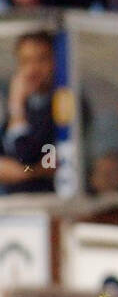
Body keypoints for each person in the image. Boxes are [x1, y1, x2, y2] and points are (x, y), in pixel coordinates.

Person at [0, 32, 57, 195]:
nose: (33, 69)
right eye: (26, 61)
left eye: (41, 59)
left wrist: (17, 107)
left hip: (48, 202)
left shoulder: (65, 102)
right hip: (12, 206)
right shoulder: (21, 103)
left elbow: (30, 157)